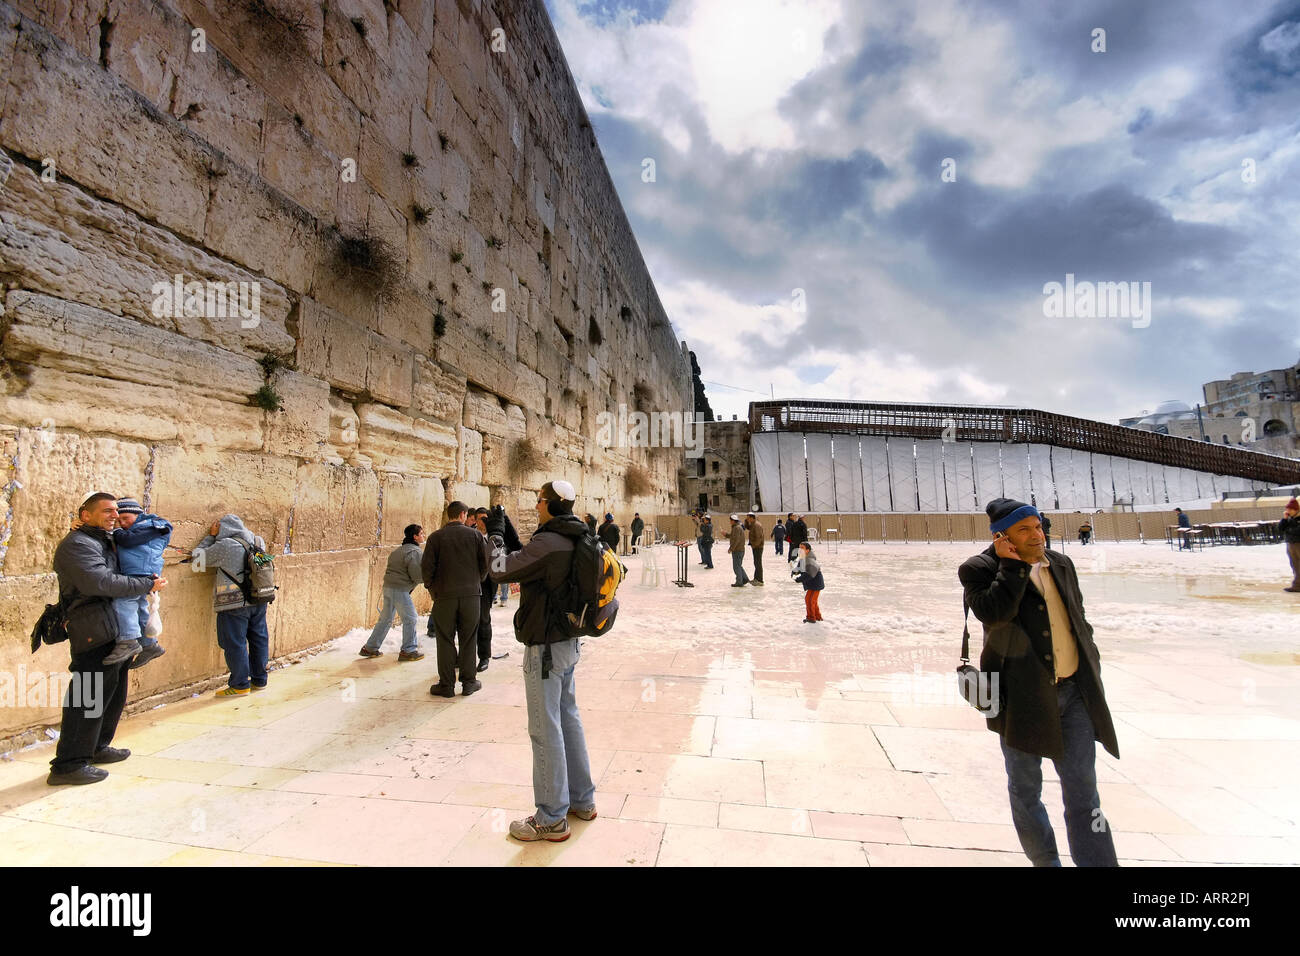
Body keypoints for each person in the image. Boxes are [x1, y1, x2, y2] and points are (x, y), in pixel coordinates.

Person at [958, 498, 1119, 867]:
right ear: (1003, 538)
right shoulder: (980, 569)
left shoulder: (1060, 563)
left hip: (1073, 692)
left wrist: (1087, 660)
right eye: (1024, 529)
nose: (1038, 534)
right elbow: (995, 614)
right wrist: (1012, 566)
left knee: (1084, 793)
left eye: (1038, 525)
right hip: (1020, 700)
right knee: (1026, 791)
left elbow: (1078, 619)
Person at [485, 480, 596, 842]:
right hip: (568, 643)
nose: (535, 505)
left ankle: (550, 817)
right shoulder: (575, 535)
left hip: (546, 648)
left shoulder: (550, 542)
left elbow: (500, 568)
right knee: (568, 720)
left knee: (544, 729)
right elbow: (530, 563)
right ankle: (582, 800)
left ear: (550, 504)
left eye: (538, 500)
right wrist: (510, 529)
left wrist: (495, 533)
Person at [48, 493, 166, 785]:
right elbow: (99, 582)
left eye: (116, 510)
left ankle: (97, 747)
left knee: (111, 693)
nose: (114, 515)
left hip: (115, 630)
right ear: (84, 515)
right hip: (92, 630)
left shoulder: (104, 539)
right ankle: (68, 765)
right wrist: (146, 583)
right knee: (87, 697)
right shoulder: (77, 544)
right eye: (106, 510)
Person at [194, 514, 271, 697]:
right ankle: (260, 680)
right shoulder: (258, 541)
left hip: (233, 604)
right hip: (258, 598)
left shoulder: (226, 545)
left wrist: (210, 537)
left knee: (234, 643)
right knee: (259, 638)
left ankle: (239, 684)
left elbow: (197, 561)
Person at [423, 501, 491, 697]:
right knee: (469, 638)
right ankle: (469, 682)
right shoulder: (476, 535)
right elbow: (485, 563)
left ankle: (446, 685)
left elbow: (427, 570)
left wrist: (433, 589)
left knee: (445, 639)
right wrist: (477, 581)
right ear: (463, 515)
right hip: (471, 596)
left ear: (449, 515)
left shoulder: (435, 538)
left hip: (444, 596)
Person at [110, 497, 172, 669]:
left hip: (141, 572)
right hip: (142, 572)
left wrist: (115, 532)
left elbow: (128, 540)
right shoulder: (148, 527)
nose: (122, 524)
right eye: (118, 521)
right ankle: (150, 644)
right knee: (138, 606)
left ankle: (128, 640)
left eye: (125, 519)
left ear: (138, 514)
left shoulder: (151, 526)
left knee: (123, 601)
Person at [359, 524, 426, 661]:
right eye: (422, 533)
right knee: (411, 618)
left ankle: (370, 647)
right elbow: (417, 575)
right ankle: (409, 650)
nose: (423, 536)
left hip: (388, 587)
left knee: (385, 619)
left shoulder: (398, 551)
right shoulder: (414, 552)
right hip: (399, 589)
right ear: (415, 536)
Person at [473, 506, 522, 671]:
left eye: (486, 518)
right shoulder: (470, 534)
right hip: (471, 581)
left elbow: (504, 559)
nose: (483, 522)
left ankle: (484, 656)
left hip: (487, 583)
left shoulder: (497, 537)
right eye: (480, 518)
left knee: (483, 618)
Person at [794, 542, 824, 623]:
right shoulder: (803, 557)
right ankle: (817, 616)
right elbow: (800, 567)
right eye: (799, 548)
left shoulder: (809, 560)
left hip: (816, 583)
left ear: (807, 550)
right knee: (809, 599)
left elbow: (809, 574)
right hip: (811, 583)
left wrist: (799, 579)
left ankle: (811, 617)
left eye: (802, 548)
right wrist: (795, 571)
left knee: (811, 600)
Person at [1280, 498, 1300, 592]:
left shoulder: (1298, 519)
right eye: (1287, 509)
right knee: (1294, 565)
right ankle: (1297, 584)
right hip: (1291, 544)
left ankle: (1297, 585)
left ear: (1296, 510)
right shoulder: (1289, 519)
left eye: (1290, 509)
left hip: (1298, 543)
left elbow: (1297, 531)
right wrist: (1284, 519)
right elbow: (1280, 528)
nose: (1288, 511)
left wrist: (1289, 530)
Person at [727, 514, 749, 587]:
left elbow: (736, 540)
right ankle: (744, 578)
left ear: (733, 521)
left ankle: (739, 582)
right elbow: (732, 536)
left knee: (736, 567)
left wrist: (731, 548)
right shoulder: (737, 527)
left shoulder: (736, 528)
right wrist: (725, 534)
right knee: (738, 566)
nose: (729, 522)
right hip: (740, 550)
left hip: (737, 550)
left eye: (730, 520)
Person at [745, 512, 765, 586]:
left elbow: (759, 537)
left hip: (758, 547)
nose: (747, 519)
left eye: (748, 517)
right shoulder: (753, 524)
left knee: (758, 563)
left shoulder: (756, 525)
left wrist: (755, 545)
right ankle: (756, 578)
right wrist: (746, 521)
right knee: (756, 563)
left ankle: (760, 580)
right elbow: (747, 527)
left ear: (752, 518)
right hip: (756, 546)